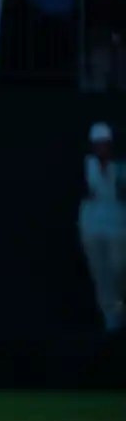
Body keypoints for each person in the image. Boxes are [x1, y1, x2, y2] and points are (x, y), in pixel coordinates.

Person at [79, 122, 126, 332]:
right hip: (92, 227)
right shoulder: (86, 165)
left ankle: (118, 308)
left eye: (105, 144)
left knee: (117, 268)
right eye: (97, 144)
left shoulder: (121, 168)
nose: (101, 148)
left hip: (117, 227)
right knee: (101, 273)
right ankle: (111, 319)